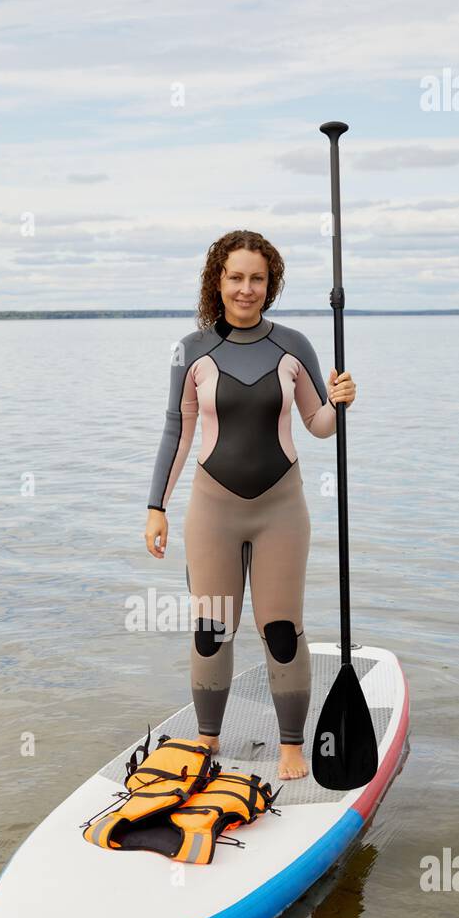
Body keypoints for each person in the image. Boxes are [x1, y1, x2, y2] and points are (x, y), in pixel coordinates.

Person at [144, 230, 357, 780]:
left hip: (280, 511)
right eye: (236, 277)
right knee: (211, 627)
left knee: (281, 629)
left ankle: (291, 745)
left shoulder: (294, 345)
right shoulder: (191, 351)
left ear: (271, 283)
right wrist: (155, 507)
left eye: (257, 278)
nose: (246, 289)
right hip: (213, 512)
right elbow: (177, 429)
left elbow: (318, 426)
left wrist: (339, 402)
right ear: (218, 281)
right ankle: (208, 740)